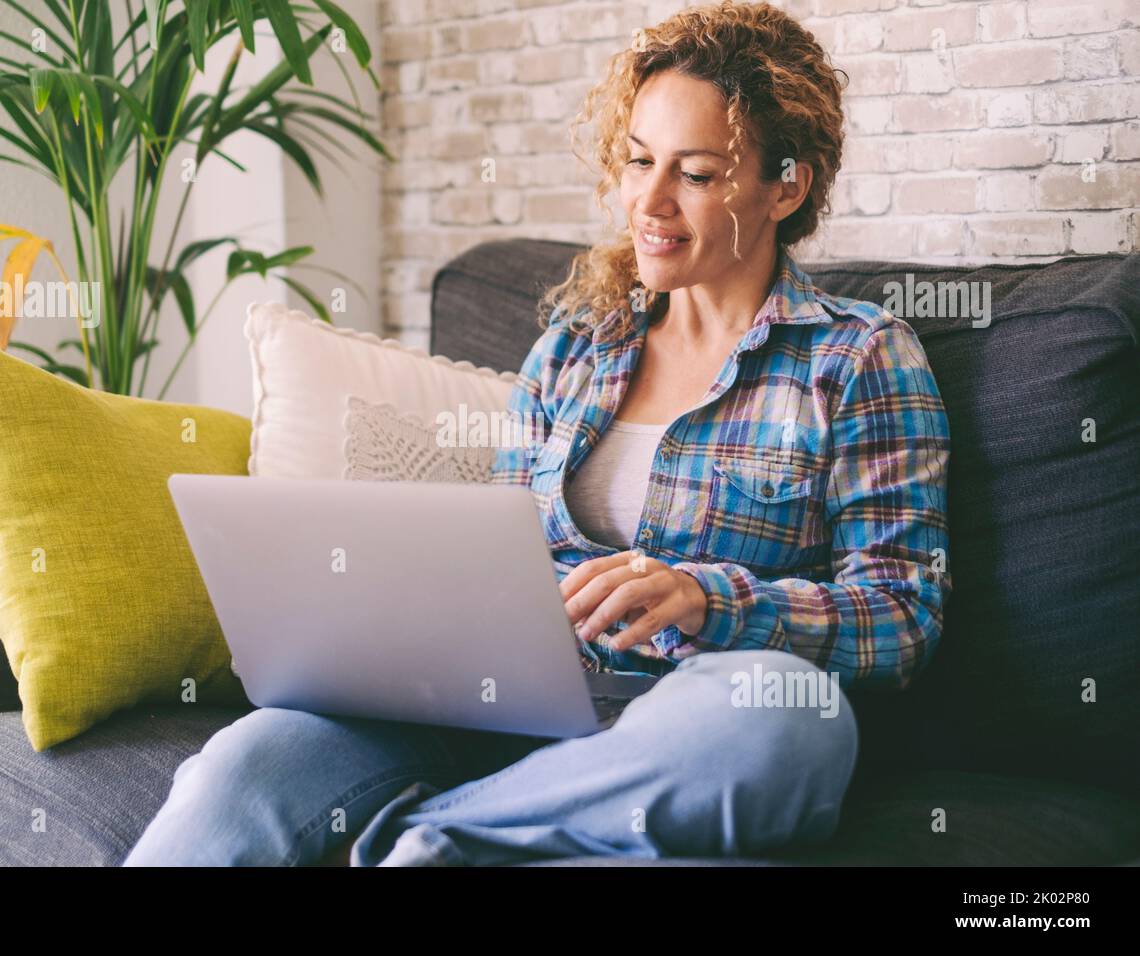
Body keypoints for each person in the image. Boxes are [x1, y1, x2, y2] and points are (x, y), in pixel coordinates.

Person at [123, 0, 951, 867]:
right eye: (637, 162)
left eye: (697, 174)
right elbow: (501, 551)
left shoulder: (856, 357)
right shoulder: (577, 345)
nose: (651, 202)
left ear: (787, 184)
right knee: (253, 759)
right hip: (502, 703)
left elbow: (904, 612)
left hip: (688, 713)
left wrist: (707, 599)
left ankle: (428, 840)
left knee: (781, 720)